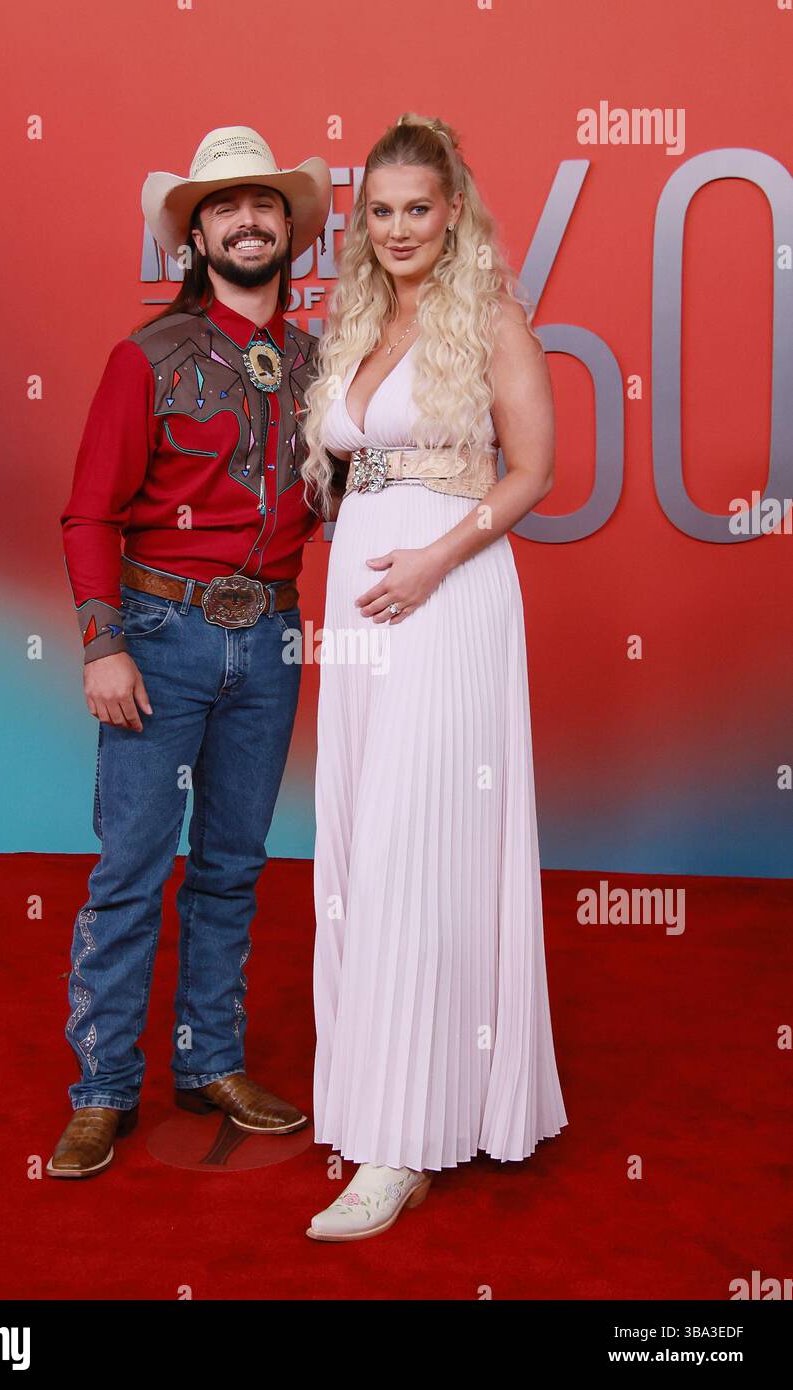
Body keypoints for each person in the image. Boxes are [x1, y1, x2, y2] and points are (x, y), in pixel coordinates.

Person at [299, 113, 567, 1239]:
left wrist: (435, 559)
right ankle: (371, 1098)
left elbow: (539, 471)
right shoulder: (355, 319)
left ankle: (406, 1141)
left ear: (453, 209)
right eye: (380, 211)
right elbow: (339, 471)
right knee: (360, 836)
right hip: (359, 600)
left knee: (420, 841)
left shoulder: (489, 315)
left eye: (419, 207)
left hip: (447, 596)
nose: (400, 228)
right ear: (362, 222)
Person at [48, 126, 332, 1178]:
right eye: (224, 207)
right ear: (198, 234)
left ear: (287, 229)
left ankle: (208, 1059)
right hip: (158, 637)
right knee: (128, 867)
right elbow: (88, 514)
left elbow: (336, 498)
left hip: (269, 638)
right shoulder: (146, 358)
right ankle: (101, 1088)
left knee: (231, 867)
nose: (247, 220)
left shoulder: (318, 363)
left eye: (263, 205)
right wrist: (102, 644)